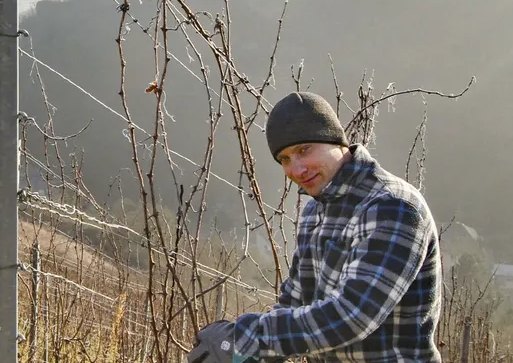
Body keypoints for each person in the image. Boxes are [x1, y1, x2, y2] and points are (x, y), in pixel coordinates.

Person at [189, 91, 442, 363]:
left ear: (336, 141)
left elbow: (352, 316)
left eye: (304, 150)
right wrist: (240, 356)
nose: (297, 170)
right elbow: (295, 301)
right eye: (285, 159)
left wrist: (245, 338)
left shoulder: (393, 206)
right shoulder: (314, 212)